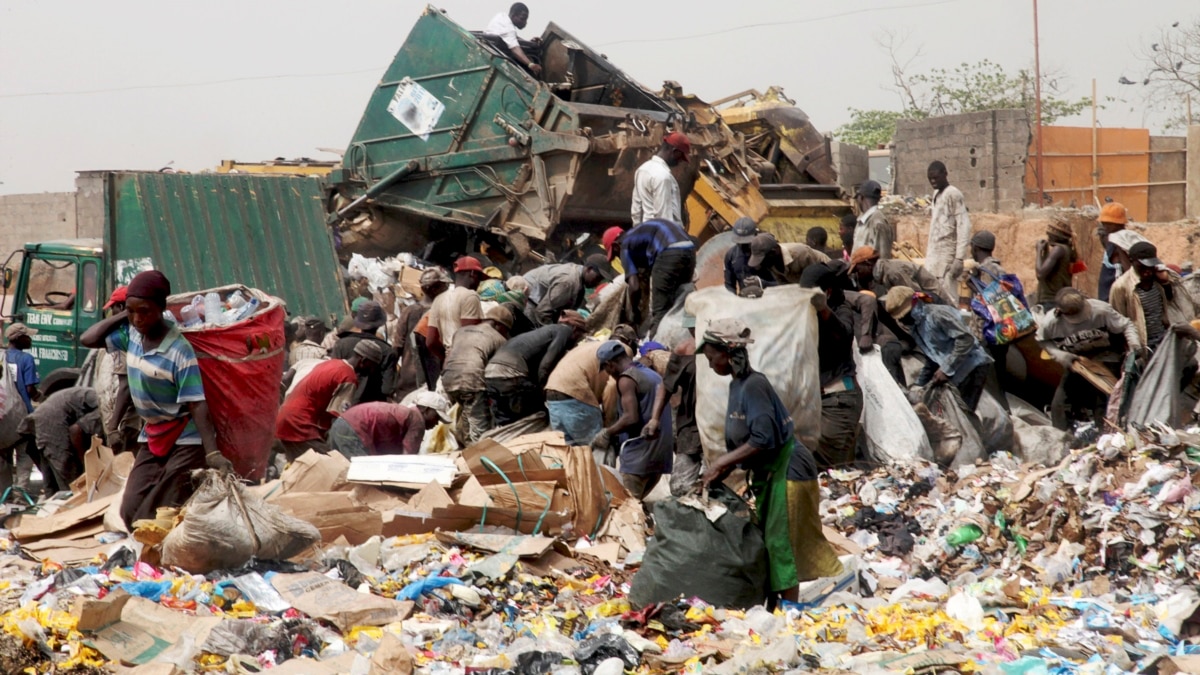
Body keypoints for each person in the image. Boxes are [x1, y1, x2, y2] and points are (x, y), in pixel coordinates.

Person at [698, 320, 843, 601]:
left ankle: (786, 615)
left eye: (711, 357)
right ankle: (774, 607)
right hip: (769, 473)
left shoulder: (754, 385)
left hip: (788, 469)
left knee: (781, 545)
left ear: (728, 353)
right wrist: (724, 468)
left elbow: (763, 438)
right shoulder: (737, 386)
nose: (710, 364)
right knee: (770, 543)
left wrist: (720, 463)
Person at [79, 270, 227, 529]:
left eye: (145, 311)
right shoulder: (132, 336)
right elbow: (88, 339)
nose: (138, 318)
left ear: (161, 308)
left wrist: (212, 452)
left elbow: (196, 403)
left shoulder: (179, 351)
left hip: (185, 436)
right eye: (131, 311)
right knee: (130, 509)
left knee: (154, 513)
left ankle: (162, 560)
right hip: (152, 434)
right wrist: (127, 312)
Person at [1037, 287, 1141, 430]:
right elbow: (1042, 340)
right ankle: (1061, 437)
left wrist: (1134, 344)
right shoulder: (1051, 322)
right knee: (1059, 404)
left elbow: (1126, 325)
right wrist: (1061, 355)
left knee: (1103, 401)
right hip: (1077, 361)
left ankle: (1106, 437)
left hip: (1106, 357)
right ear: (1060, 312)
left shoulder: (1101, 310)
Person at [799, 264, 870, 468]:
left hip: (839, 401)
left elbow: (844, 335)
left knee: (824, 467)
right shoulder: (806, 314)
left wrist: (824, 309)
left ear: (827, 292)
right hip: (815, 400)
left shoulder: (841, 308)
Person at [883, 285, 992, 411]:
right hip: (956, 372)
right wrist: (919, 385)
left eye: (904, 316)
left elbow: (966, 340)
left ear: (914, 306)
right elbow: (933, 358)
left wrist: (946, 369)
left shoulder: (937, 315)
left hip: (972, 366)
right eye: (900, 319)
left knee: (964, 416)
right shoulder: (915, 328)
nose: (902, 321)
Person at [592, 340, 673, 501]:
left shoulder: (626, 379)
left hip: (639, 457)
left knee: (626, 508)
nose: (608, 374)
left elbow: (631, 417)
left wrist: (607, 433)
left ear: (610, 365)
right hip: (660, 456)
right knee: (636, 506)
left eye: (606, 370)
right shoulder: (652, 374)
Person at [275, 340, 382, 460]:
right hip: (301, 425)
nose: (372, 372)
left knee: (301, 468)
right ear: (364, 361)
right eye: (372, 366)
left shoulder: (331, 364)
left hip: (287, 417)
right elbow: (339, 418)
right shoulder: (348, 377)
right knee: (330, 466)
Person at [484, 312, 586, 426]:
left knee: (506, 425)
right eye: (579, 336)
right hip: (511, 374)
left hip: (490, 374)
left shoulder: (539, 333)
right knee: (537, 416)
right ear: (576, 328)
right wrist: (545, 391)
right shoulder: (564, 330)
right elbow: (545, 365)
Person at [544, 325, 638, 446]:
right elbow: (612, 388)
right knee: (596, 450)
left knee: (568, 452)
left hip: (552, 392)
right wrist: (609, 428)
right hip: (575, 394)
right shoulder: (621, 350)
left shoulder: (591, 345)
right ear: (630, 342)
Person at [603, 219, 695, 336]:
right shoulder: (637, 235)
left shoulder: (625, 245)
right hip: (689, 248)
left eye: (616, 255)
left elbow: (634, 286)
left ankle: (654, 347)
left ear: (616, 246)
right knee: (683, 303)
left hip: (668, 251)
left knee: (660, 311)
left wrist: (635, 312)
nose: (619, 258)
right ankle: (689, 338)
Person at [1110, 241, 1199, 353]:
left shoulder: (1158, 280)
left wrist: (1166, 283)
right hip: (1142, 346)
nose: (1147, 271)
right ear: (1132, 261)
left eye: (1150, 266)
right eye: (1142, 266)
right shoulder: (1120, 287)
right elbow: (1117, 322)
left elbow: (1170, 301)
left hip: (1164, 340)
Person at [443, 305, 513, 445]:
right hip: (471, 381)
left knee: (466, 415)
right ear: (499, 325)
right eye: (506, 330)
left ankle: (466, 451)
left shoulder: (461, 331)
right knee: (479, 427)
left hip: (448, 379)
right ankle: (477, 457)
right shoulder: (499, 339)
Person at [17, 387, 102, 490]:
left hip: (39, 420)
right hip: (51, 422)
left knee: (51, 479)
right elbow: (75, 431)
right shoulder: (101, 404)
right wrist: (85, 464)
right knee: (71, 478)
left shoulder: (88, 396)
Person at [328, 391, 451, 457]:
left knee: (339, 467)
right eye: (436, 417)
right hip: (355, 429)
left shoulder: (404, 413)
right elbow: (407, 458)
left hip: (342, 422)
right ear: (425, 409)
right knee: (361, 472)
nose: (436, 423)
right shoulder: (417, 420)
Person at [422, 257, 486, 374]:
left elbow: (430, 342)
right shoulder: (470, 296)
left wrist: (447, 357)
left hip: (447, 365)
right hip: (465, 365)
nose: (479, 283)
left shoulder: (439, 299)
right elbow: (469, 338)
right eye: (480, 278)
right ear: (472, 274)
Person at [329, 301, 397, 403]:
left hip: (342, 408)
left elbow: (332, 378)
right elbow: (387, 389)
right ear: (380, 324)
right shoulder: (387, 351)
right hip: (372, 411)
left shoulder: (341, 344)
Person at [664, 313, 701, 496]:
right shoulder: (684, 350)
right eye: (691, 328)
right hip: (690, 423)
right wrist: (655, 418)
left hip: (717, 424)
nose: (693, 331)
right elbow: (667, 386)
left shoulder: (724, 350)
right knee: (680, 486)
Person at [925, 161, 972, 301]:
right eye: (930, 178)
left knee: (948, 299)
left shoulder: (953, 194)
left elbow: (964, 225)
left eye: (936, 177)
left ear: (945, 174)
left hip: (947, 258)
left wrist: (959, 258)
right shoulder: (936, 194)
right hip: (934, 258)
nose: (933, 181)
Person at [2, 323, 39, 496]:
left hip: (4, 415)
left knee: (4, 455)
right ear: (19, 339)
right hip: (22, 414)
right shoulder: (26, 359)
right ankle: (20, 492)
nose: (30, 339)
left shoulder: (2, 357)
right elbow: (30, 389)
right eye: (27, 337)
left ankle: (5, 493)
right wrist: (40, 397)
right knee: (25, 454)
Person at [523, 255, 613, 326]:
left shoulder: (579, 276)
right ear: (589, 269)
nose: (598, 282)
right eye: (598, 278)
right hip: (528, 300)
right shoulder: (569, 282)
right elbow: (542, 312)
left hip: (537, 302)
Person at [630, 132, 690, 225]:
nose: (680, 161)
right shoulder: (663, 176)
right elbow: (663, 215)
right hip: (662, 235)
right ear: (674, 151)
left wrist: (638, 231)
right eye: (681, 156)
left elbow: (636, 209)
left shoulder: (642, 169)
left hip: (647, 231)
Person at [850, 246, 944, 302]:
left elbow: (915, 296)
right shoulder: (882, 272)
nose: (858, 274)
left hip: (935, 301)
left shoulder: (893, 272)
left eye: (858, 269)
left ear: (867, 264)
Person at [483, 3, 541, 76]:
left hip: (491, 44)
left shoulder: (501, 16)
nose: (525, 23)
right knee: (533, 50)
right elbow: (515, 49)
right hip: (500, 53)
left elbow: (511, 37)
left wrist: (528, 42)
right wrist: (530, 64)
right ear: (514, 16)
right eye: (522, 19)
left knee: (531, 45)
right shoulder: (509, 29)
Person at [1035, 219, 1076, 308]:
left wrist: (1038, 251)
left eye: (1049, 235)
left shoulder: (1058, 249)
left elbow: (1040, 274)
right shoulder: (1067, 249)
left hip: (1052, 299)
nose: (1048, 237)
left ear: (1056, 235)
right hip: (1060, 297)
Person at [1097, 202, 1130, 302]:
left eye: (1107, 224)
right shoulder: (1113, 239)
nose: (1104, 227)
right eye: (1103, 223)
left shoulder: (1119, 243)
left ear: (1117, 224)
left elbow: (1127, 271)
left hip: (1113, 299)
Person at [852, 180, 894, 259]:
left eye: (857, 198)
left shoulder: (878, 222)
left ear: (861, 197)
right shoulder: (863, 221)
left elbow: (883, 258)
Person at [723, 217, 760, 294]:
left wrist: (760, 282)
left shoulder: (768, 253)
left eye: (747, 243)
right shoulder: (731, 256)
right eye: (740, 242)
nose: (743, 246)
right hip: (744, 301)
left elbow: (780, 284)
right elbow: (729, 285)